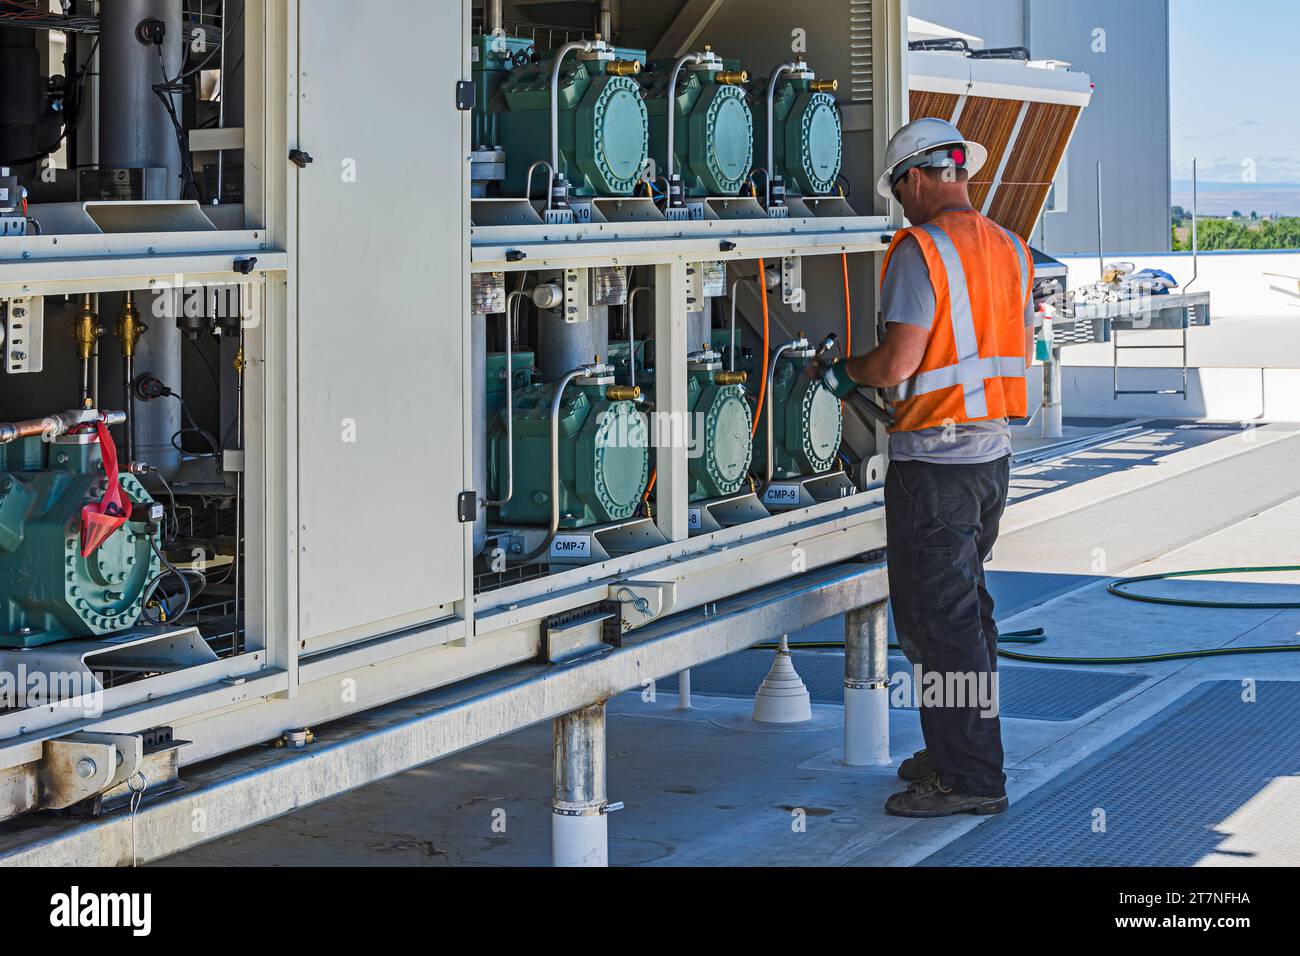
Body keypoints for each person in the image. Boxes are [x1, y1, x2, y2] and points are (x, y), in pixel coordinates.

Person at [820, 118, 1035, 817]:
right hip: (990, 460)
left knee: (940, 628)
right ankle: (956, 752)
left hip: (935, 468)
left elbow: (898, 363)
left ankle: (970, 778)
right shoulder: (1009, 246)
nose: (901, 205)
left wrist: (844, 372)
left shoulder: (922, 249)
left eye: (899, 190)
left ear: (915, 177)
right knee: (965, 617)